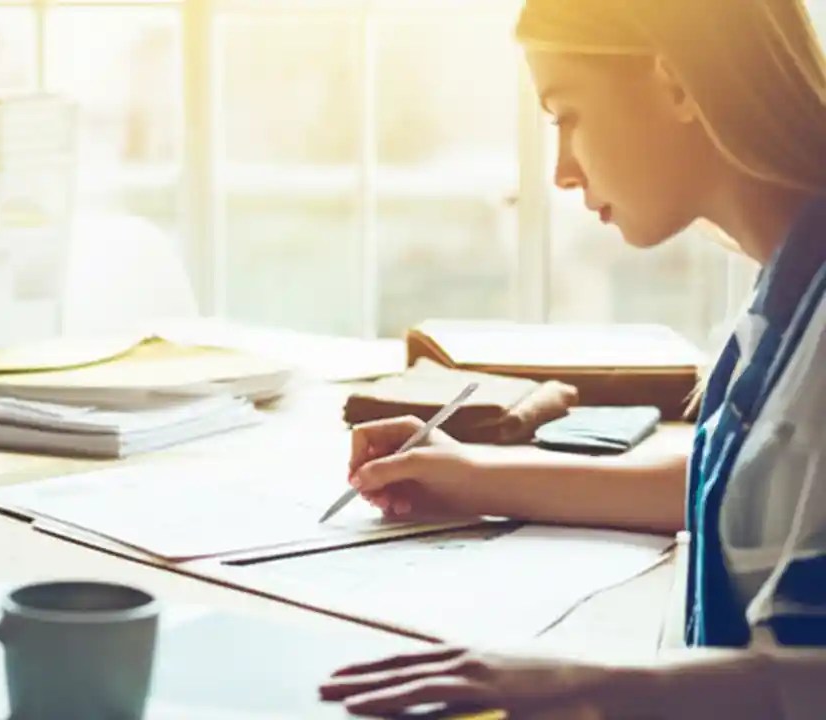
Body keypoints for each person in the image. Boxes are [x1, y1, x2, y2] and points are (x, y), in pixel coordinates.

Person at [319, 1, 826, 717]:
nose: (559, 170)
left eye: (567, 115)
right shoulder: (793, 289)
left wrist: (596, 682)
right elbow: (757, 483)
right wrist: (474, 477)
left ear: (677, 83)